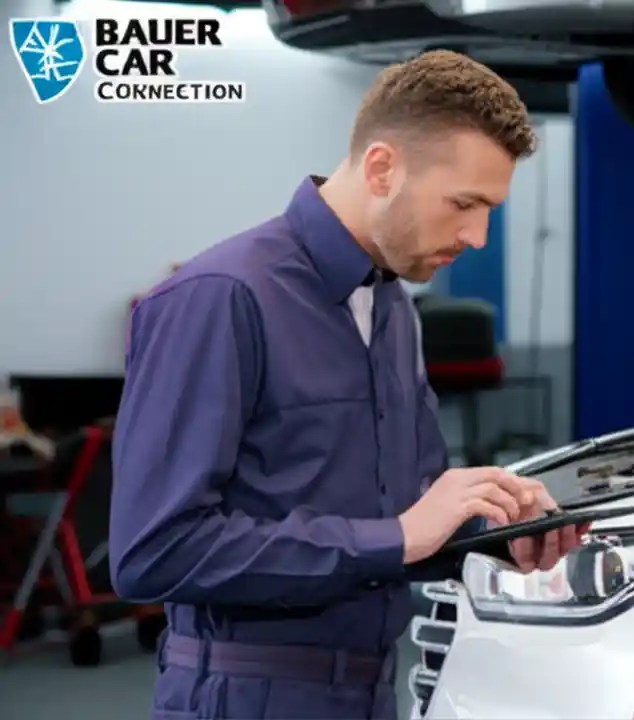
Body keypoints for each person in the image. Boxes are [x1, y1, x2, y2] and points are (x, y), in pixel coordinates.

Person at [108, 50, 586, 720]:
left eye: (490, 211)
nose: (477, 237)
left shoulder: (391, 307)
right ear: (383, 168)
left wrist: (490, 531)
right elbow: (152, 551)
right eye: (463, 205)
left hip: (370, 692)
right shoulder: (219, 297)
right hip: (245, 700)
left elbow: (400, 519)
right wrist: (397, 538)